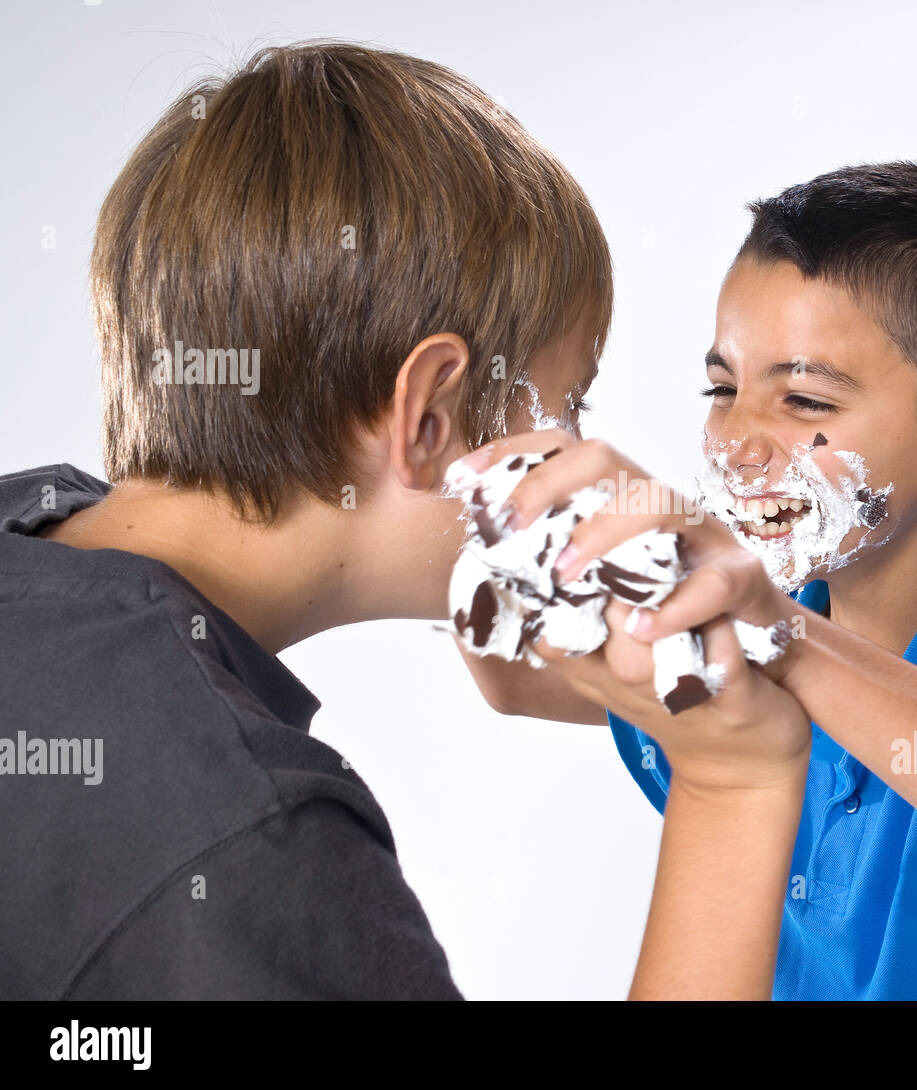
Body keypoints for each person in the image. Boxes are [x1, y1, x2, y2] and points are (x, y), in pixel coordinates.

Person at [0, 40, 806, 1000]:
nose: (582, 453)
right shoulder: (254, 847)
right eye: (568, 405)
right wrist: (731, 787)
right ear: (429, 419)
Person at [463, 162, 917, 1000]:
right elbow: (516, 671)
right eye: (722, 388)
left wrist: (783, 639)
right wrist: (488, 495)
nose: (736, 443)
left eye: (806, 402)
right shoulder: (734, 640)